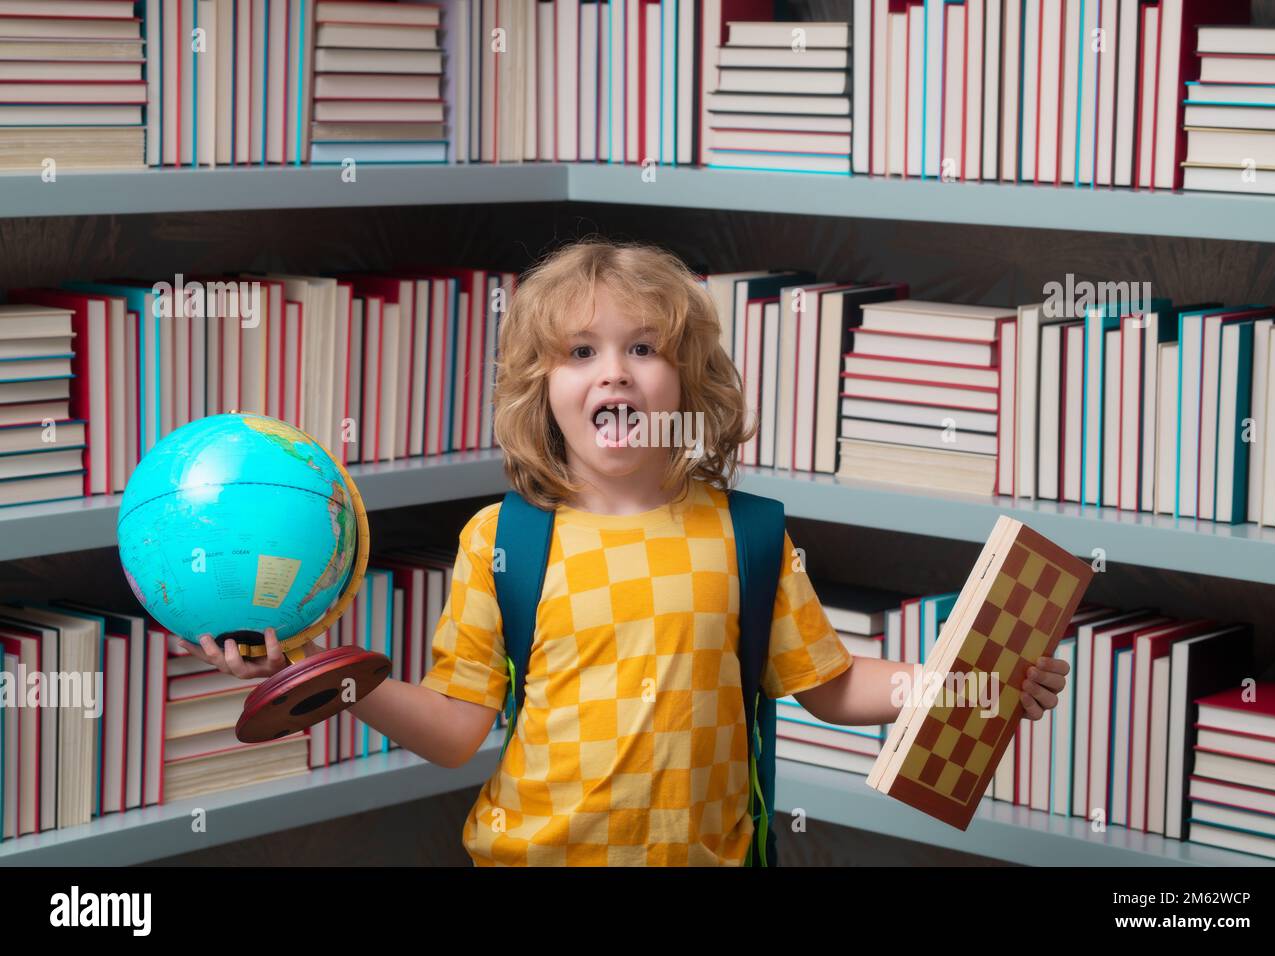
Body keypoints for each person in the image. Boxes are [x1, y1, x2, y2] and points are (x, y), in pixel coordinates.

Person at [185, 237, 1070, 866]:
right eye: (580, 352)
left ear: (689, 383)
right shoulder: (503, 541)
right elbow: (458, 730)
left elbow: (832, 688)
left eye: (643, 348)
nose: (613, 371)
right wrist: (325, 674)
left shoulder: (749, 534)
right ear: (543, 392)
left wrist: (969, 684)